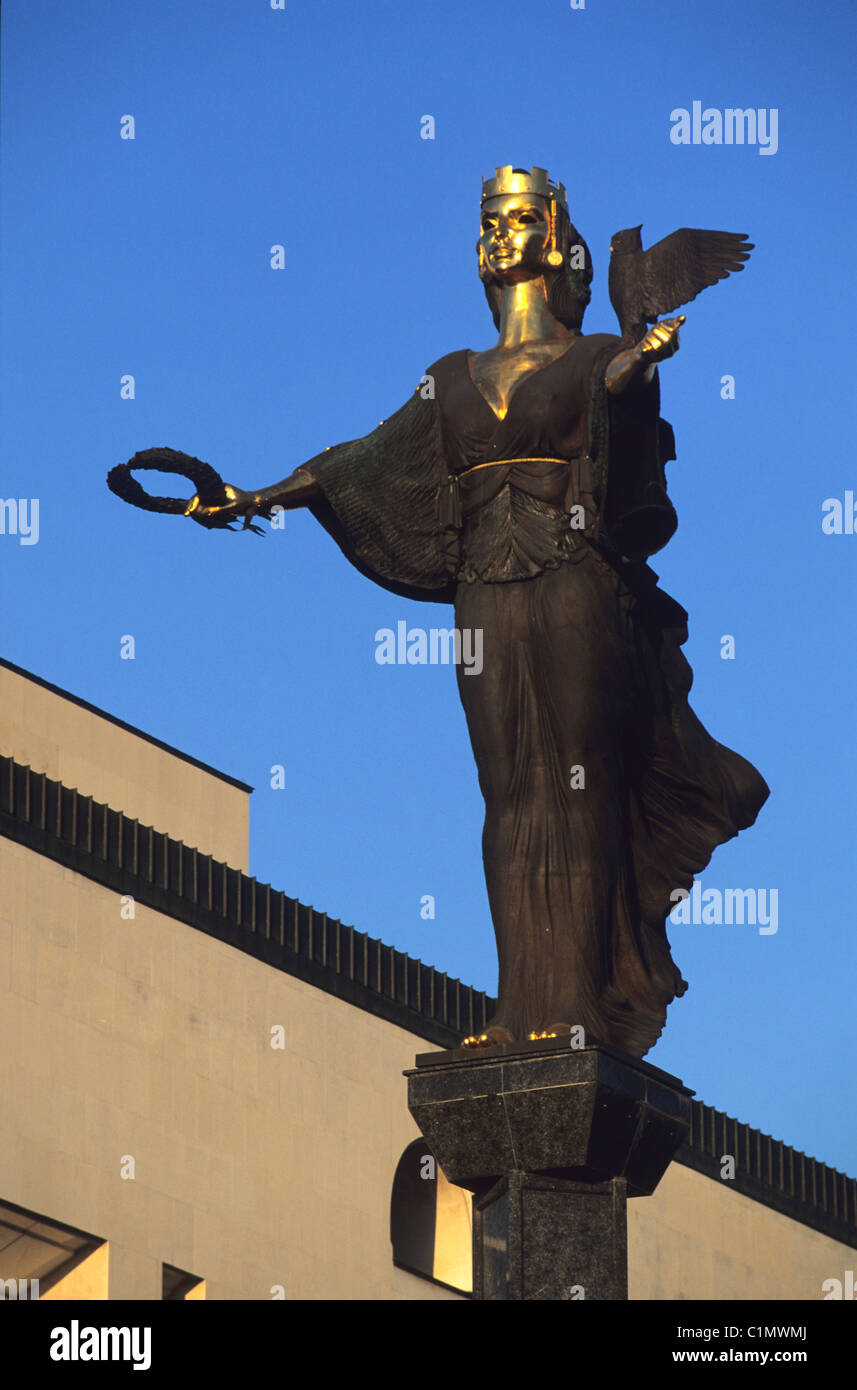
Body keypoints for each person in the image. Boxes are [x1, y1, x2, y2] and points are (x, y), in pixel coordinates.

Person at [185, 166, 768, 1057]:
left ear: (558, 239)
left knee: (572, 785)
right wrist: (255, 494)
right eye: (488, 221)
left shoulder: (587, 356)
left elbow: (614, 390)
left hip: (574, 577)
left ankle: (576, 1007)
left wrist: (640, 362)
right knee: (506, 795)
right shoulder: (450, 378)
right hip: (485, 588)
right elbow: (359, 460)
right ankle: (515, 1010)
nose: (500, 234)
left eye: (521, 217)